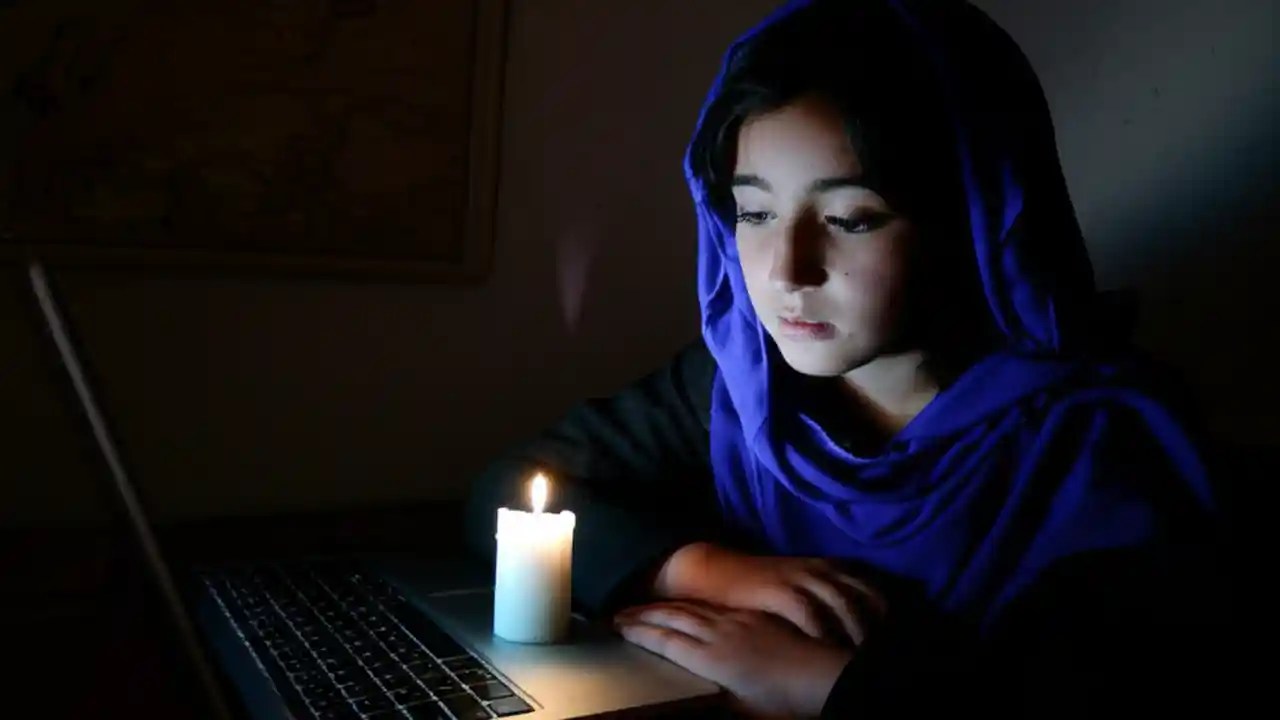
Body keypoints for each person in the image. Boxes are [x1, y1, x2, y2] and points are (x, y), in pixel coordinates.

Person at [465, 0, 1229, 716]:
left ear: (970, 224)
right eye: (755, 212)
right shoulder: (739, 386)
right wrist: (702, 570)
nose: (786, 268)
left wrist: (822, 684)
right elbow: (508, 490)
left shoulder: (1103, 443)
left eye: (850, 219)